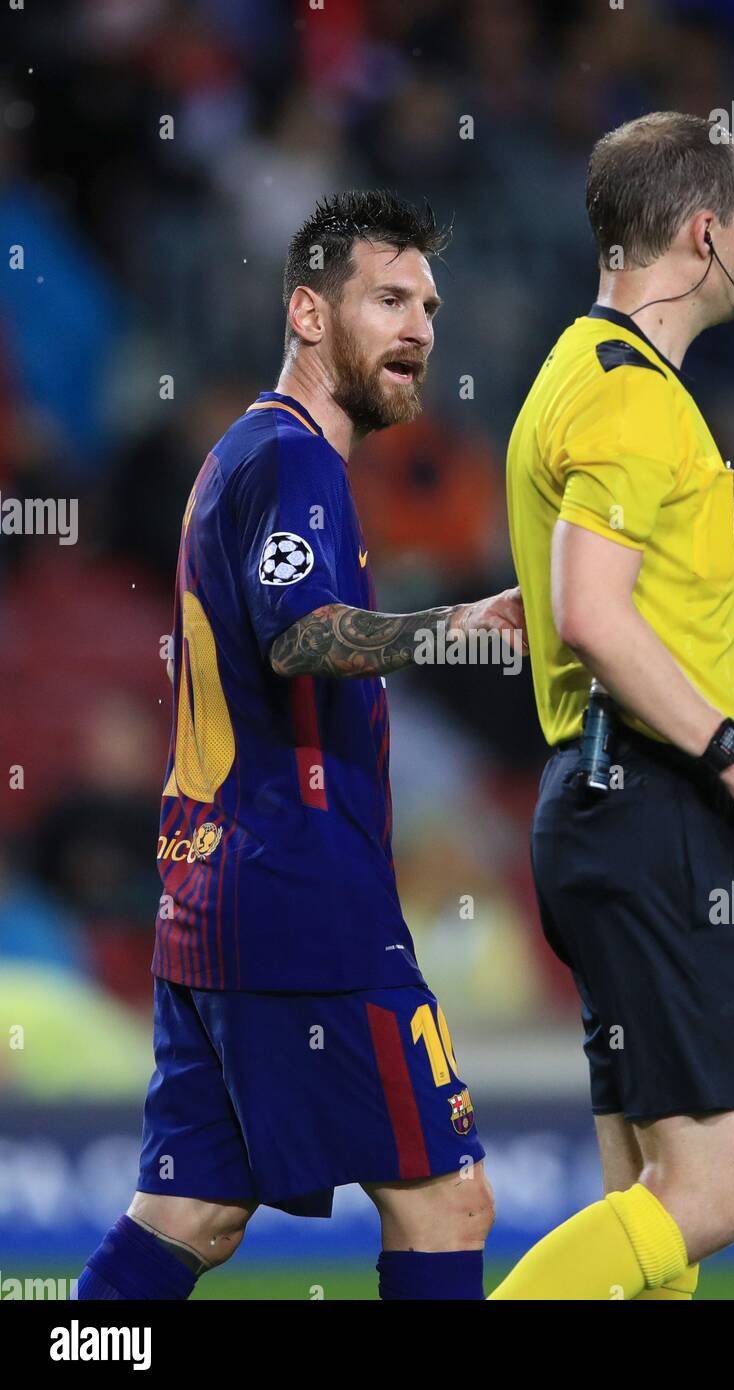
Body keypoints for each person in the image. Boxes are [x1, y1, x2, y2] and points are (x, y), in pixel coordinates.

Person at [75, 190, 524, 1302]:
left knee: (192, 1212)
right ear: (309, 316)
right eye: (387, 298)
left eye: (427, 303)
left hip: (211, 890)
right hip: (300, 894)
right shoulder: (294, 460)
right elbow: (301, 634)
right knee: (447, 1200)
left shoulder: (245, 455)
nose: (419, 325)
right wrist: (458, 623)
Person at [493, 112, 734, 1300]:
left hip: (604, 803)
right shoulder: (635, 402)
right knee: (712, 1195)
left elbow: (610, 601)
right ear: (704, 232)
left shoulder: (575, 373)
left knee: (648, 1205)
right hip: (651, 809)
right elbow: (593, 617)